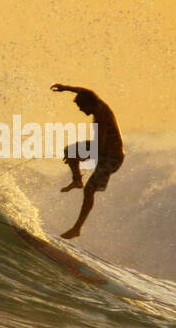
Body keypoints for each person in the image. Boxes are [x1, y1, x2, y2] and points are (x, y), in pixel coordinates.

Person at [50, 83, 124, 238]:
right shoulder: (98, 104)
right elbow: (87, 91)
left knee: (89, 190)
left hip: (112, 157)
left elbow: (99, 147)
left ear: (89, 104)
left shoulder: (102, 117)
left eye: (81, 106)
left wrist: (81, 155)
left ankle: (77, 228)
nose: (80, 110)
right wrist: (65, 88)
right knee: (69, 151)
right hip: (103, 150)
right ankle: (77, 180)